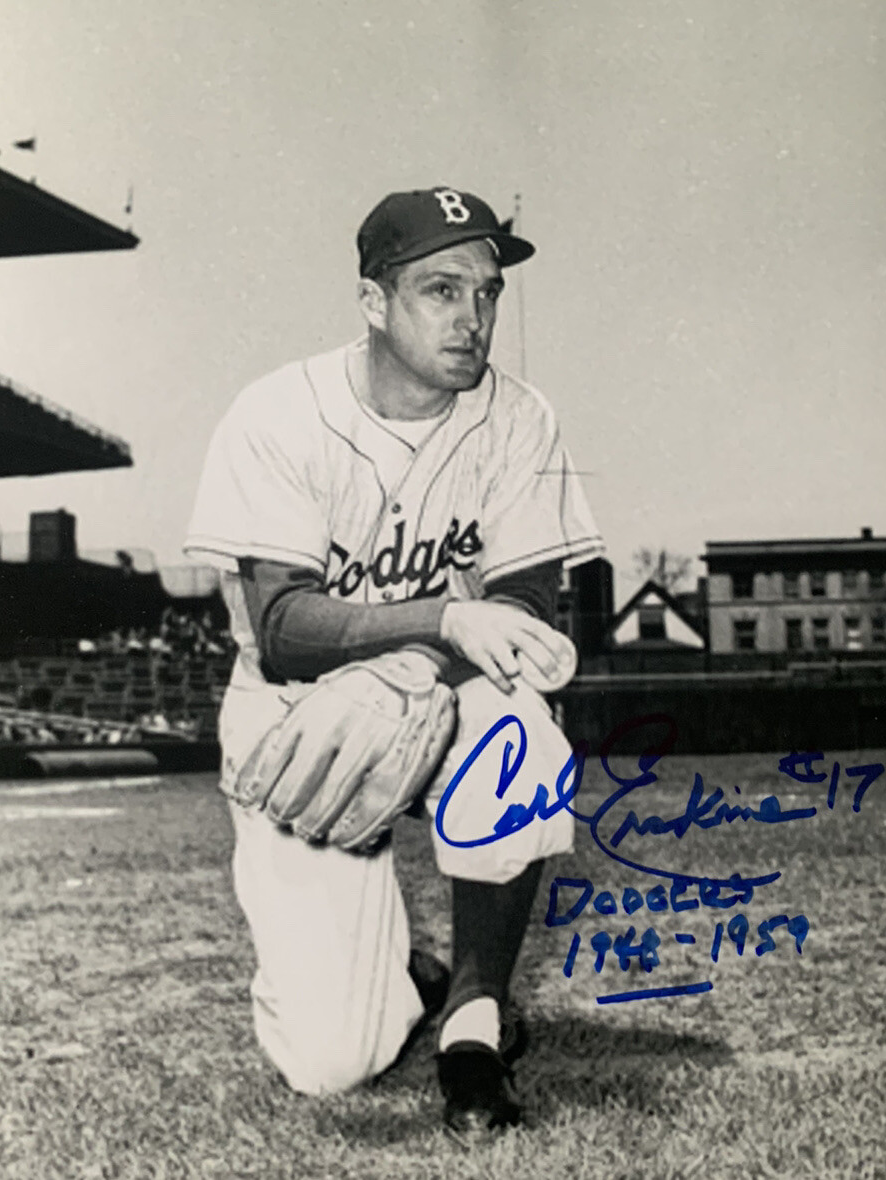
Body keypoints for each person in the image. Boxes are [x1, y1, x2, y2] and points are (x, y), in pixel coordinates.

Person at [185, 187, 604, 1134]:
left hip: (448, 692)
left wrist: (433, 657)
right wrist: (448, 624)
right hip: (296, 715)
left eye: (487, 294)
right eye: (439, 290)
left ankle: (475, 1019)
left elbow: (528, 613)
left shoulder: (518, 416)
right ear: (374, 302)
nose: (471, 320)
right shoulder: (278, 414)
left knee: (522, 736)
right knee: (334, 1063)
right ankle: (403, 981)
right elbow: (285, 624)